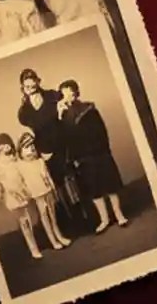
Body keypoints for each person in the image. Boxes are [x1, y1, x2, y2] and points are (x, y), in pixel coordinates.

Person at [16, 68, 86, 233]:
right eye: (27, 87)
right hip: (45, 151)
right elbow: (34, 125)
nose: (31, 88)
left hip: (63, 145)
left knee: (73, 182)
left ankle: (86, 219)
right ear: (23, 88)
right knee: (57, 188)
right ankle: (70, 225)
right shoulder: (24, 111)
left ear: (38, 81)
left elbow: (66, 113)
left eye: (33, 84)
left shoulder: (53, 96)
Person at [58, 79, 128, 232]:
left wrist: (104, 150)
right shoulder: (64, 117)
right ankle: (104, 219)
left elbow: (102, 131)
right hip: (82, 158)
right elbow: (65, 139)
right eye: (63, 93)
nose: (67, 96)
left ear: (76, 92)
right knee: (94, 190)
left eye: (69, 92)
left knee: (110, 186)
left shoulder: (89, 109)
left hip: (99, 153)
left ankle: (119, 215)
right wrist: (60, 116)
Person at [15, 132, 72, 251]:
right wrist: (27, 193)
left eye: (32, 147)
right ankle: (53, 240)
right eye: (27, 147)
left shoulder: (39, 161)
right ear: (20, 150)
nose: (31, 150)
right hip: (37, 194)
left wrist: (53, 187)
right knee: (44, 216)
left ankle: (59, 236)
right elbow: (21, 182)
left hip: (47, 191)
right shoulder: (20, 166)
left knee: (53, 214)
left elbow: (47, 175)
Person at [0, 133, 41, 260]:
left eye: (6, 144)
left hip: (22, 191)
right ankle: (33, 249)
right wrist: (6, 193)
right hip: (12, 195)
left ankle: (35, 244)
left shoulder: (15, 159)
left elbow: (21, 174)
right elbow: (0, 182)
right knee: (23, 221)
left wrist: (25, 188)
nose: (5, 147)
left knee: (29, 219)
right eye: (1, 145)